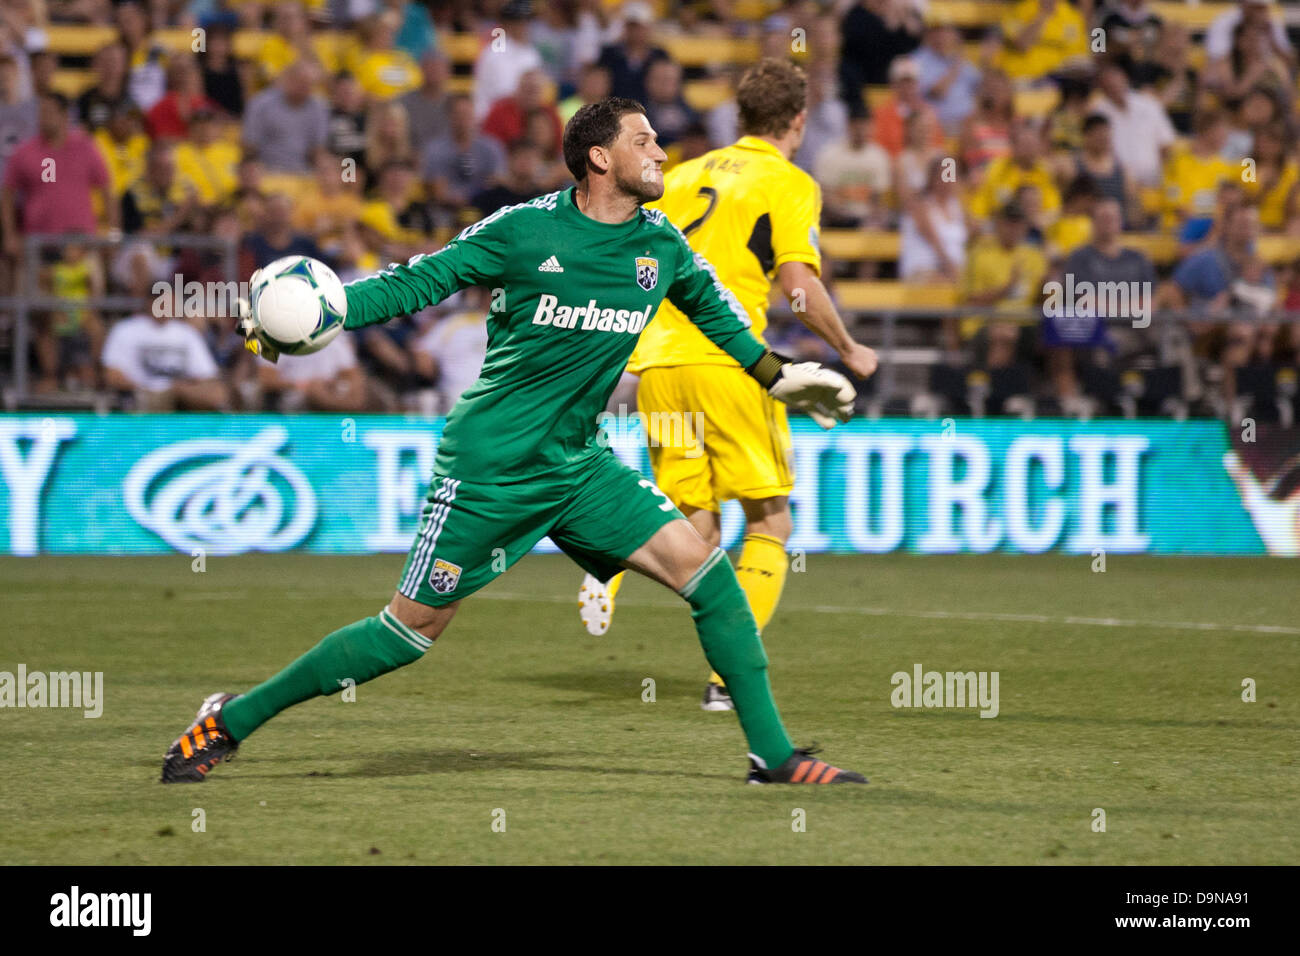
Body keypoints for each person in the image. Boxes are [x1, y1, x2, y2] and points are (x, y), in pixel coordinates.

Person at [162, 96, 868, 788]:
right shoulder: (525, 231)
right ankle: (230, 718)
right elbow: (422, 281)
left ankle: (772, 757)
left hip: (578, 465)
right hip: (490, 470)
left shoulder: (661, 244)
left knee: (708, 574)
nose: (659, 152)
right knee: (406, 635)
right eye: (644, 140)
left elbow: (715, 312)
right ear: (599, 157)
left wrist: (777, 378)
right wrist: (335, 306)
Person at [590, 60, 878, 711]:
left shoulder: (682, 174)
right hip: (730, 362)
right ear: (798, 121)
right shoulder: (790, 181)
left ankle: (609, 562)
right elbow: (799, 291)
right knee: (770, 522)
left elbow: (621, 258)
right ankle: (728, 682)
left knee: (696, 530)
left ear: (738, 117)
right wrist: (849, 348)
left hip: (658, 368)